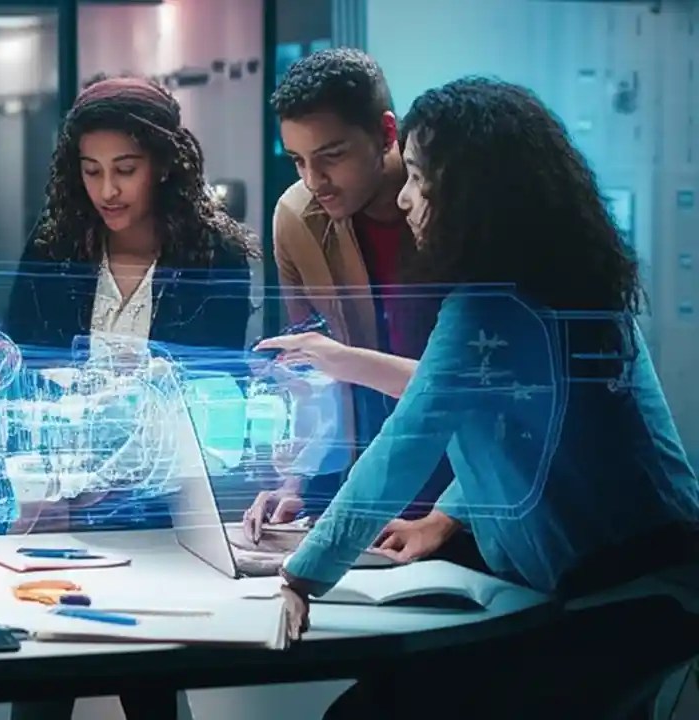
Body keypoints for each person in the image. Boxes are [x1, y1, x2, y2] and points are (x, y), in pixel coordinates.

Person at [268, 77, 699, 718]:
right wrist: (445, 518)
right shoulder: (573, 284)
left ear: (471, 195)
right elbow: (525, 430)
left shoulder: (485, 309)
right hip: (664, 587)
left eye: (417, 178)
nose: (406, 198)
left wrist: (302, 574)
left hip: (620, 603)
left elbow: (408, 440)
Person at [5, 75, 259, 720]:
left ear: (165, 164)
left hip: (155, 505)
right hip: (55, 500)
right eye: (91, 171)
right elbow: (18, 363)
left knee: (151, 677)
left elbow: (214, 387)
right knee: (40, 679)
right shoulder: (55, 244)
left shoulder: (215, 255)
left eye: (125, 169)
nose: (107, 191)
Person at [243, 48, 462, 561]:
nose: (313, 181)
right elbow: (312, 375)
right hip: (373, 483)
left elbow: (485, 390)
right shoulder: (296, 218)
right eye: (298, 160)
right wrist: (297, 481)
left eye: (331, 155)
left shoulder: (451, 211)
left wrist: (450, 517)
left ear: (387, 134)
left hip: (470, 485)